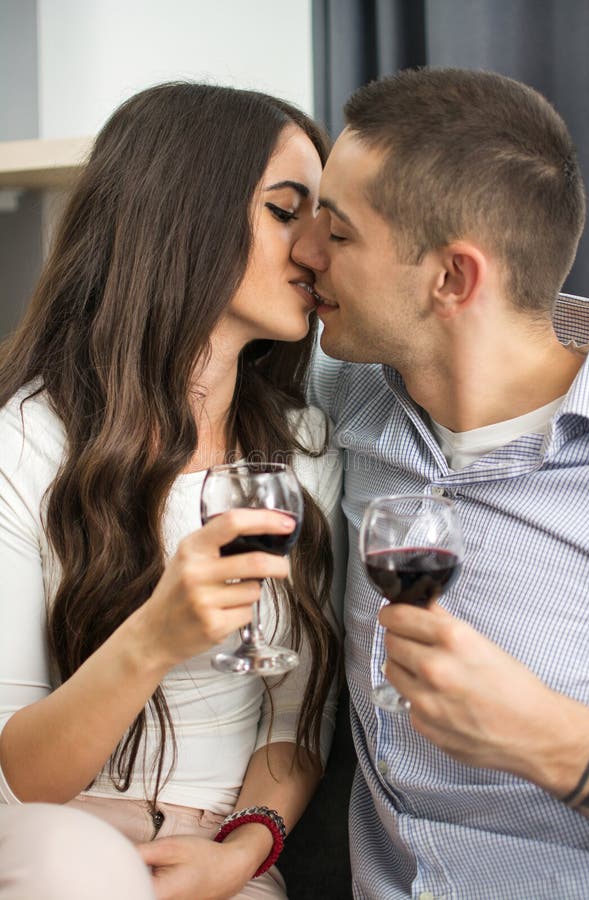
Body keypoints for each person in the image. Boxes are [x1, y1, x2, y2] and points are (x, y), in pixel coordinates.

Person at [0, 82, 345, 900]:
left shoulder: (307, 448)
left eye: (325, 218)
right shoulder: (27, 440)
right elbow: (25, 771)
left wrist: (246, 850)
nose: (318, 249)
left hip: (218, 858)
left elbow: (296, 720)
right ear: (184, 212)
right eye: (285, 210)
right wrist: (156, 633)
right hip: (57, 838)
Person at [292, 68, 589, 898]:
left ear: (453, 279)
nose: (305, 252)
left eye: (341, 233)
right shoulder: (338, 387)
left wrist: (554, 744)